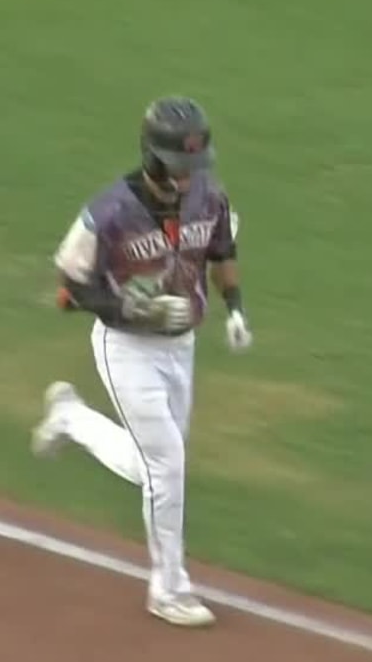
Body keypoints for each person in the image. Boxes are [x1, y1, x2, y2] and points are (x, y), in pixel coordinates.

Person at [30, 95, 252, 628]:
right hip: (126, 350)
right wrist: (130, 306)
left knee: (152, 465)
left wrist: (236, 310)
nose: (187, 179)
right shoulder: (108, 213)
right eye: (179, 168)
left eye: (193, 168)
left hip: (182, 349)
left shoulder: (208, 198)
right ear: (153, 159)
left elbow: (221, 251)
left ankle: (70, 417)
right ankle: (169, 588)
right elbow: (70, 288)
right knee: (168, 465)